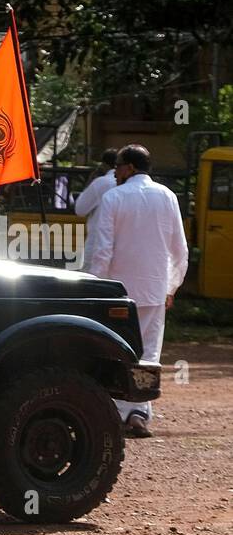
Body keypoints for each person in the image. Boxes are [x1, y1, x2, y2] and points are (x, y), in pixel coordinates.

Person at [84, 143, 189, 437]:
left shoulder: (114, 197)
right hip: (154, 288)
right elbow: (179, 249)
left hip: (118, 291)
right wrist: (172, 286)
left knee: (115, 350)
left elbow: (103, 250)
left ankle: (117, 412)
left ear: (129, 168)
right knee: (149, 351)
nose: (114, 172)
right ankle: (140, 413)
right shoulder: (167, 196)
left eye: (117, 166)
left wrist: (96, 287)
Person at [74, 148, 119, 228]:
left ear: (104, 164)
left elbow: (80, 209)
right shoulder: (132, 183)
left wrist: (89, 184)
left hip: (98, 237)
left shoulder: (101, 182)